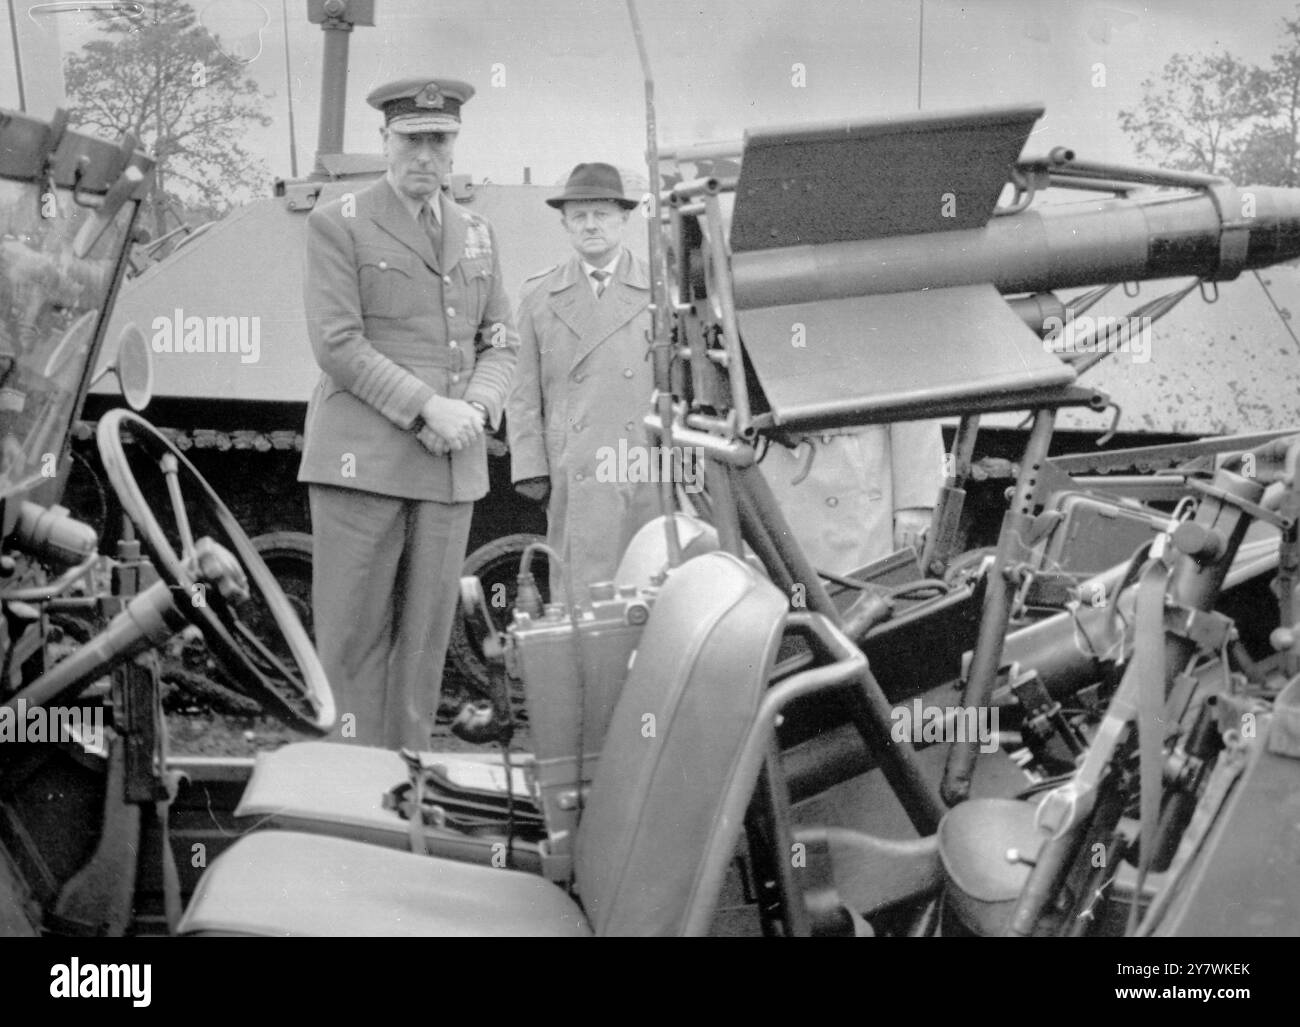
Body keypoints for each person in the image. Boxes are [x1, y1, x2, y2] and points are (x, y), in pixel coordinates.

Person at [298, 77, 518, 749]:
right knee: (353, 644)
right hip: (364, 462)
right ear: (384, 140)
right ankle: (347, 790)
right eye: (412, 140)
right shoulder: (339, 222)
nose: (426, 155)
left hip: (451, 468)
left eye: (439, 141)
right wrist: (428, 406)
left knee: (423, 647)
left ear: (455, 145)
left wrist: (478, 403)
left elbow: (499, 338)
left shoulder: (477, 233)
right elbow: (338, 344)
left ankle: (406, 788)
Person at [507, 162, 661, 599]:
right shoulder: (539, 294)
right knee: (582, 592)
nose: (590, 225)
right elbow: (522, 393)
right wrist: (531, 467)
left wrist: (686, 468)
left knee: (651, 585)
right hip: (575, 466)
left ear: (624, 219)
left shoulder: (661, 288)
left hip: (645, 465)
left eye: (602, 214)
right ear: (565, 224)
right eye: (579, 216)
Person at [763, 423, 945, 576]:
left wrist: (915, 500)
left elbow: (911, 387)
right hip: (767, 460)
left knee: (861, 601)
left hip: (853, 469)